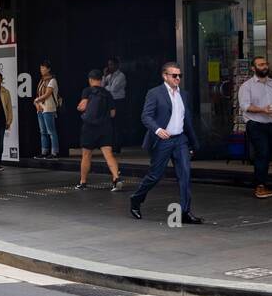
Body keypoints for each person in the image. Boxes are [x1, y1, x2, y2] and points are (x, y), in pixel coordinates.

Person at [130, 62, 202, 223]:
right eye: (174, 75)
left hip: (180, 140)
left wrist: (192, 143)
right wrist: (157, 130)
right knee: (155, 175)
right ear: (165, 76)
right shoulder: (155, 93)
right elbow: (146, 116)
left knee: (185, 175)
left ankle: (185, 212)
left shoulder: (184, 94)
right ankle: (136, 199)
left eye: (179, 75)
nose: (178, 78)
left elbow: (187, 120)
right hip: (163, 140)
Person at [239, 55, 272, 199]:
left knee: (267, 154)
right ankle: (259, 186)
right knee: (262, 152)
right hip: (256, 124)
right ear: (253, 68)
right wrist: (263, 110)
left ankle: (261, 182)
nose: (264, 67)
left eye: (266, 64)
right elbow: (245, 106)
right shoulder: (247, 86)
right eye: (261, 64)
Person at [76, 69, 123, 191]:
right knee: (108, 154)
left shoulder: (87, 91)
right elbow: (113, 113)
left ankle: (83, 182)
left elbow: (82, 106)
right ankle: (116, 178)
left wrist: (81, 107)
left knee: (86, 155)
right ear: (101, 80)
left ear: (90, 80)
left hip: (89, 127)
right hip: (105, 127)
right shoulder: (108, 94)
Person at [34, 61, 61, 158]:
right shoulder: (41, 80)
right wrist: (37, 103)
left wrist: (37, 100)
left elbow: (47, 94)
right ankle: (44, 151)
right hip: (40, 108)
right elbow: (38, 94)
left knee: (51, 131)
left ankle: (54, 152)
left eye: (43, 68)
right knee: (43, 131)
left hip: (49, 108)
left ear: (49, 69)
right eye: (41, 68)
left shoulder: (52, 80)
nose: (41, 70)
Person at [103, 57, 127, 152]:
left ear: (117, 65)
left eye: (112, 64)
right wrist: (104, 76)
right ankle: (111, 145)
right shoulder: (109, 76)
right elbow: (101, 86)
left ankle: (117, 147)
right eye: (109, 64)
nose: (110, 67)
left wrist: (106, 87)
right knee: (110, 125)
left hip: (118, 101)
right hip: (110, 102)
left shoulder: (121, 76)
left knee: (118, 125)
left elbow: (114, 89)